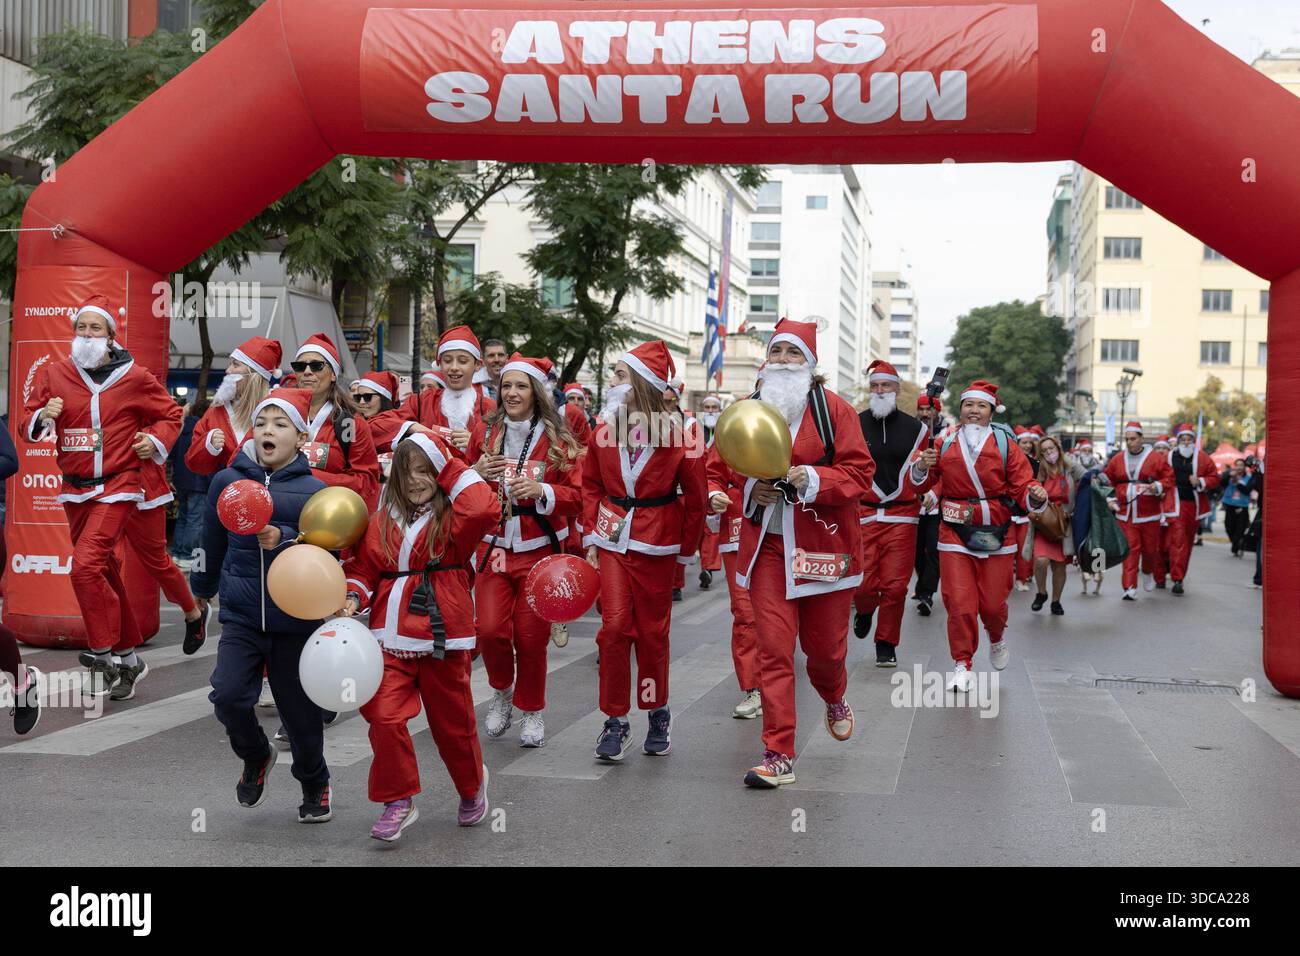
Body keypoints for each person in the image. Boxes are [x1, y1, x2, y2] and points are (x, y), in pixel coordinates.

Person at [720, 320, 874, 789]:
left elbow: (860, 474)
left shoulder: (836, 412)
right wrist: (747, 492)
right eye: (777, 351)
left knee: (823, 654)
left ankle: (834, 695)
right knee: (774, 650)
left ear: (810, 363)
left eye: (793, 352)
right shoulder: (744, 411)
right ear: (766, 361)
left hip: (824, 548)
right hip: (767, 548)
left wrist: (814, 480)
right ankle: (778, 751)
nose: (784, 359)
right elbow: (717, 469)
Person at [23, 295, 183, 699]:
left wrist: (153, 439)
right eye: (82, 327)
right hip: (76, 489)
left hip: (120, 483)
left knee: (83, 567)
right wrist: (44, 416)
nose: (87, 335)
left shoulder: (135, 376)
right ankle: (129, 659)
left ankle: (101, 658)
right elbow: (28, 420)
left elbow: (171, 414)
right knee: (104, 571)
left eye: (96, 328)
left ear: (112, 336)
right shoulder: (55, 374)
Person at [341, 433, 499, 839]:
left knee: (453, 725)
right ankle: (398, 799)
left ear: (440, 473)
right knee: (382, 715)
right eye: (407, 471)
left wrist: (445, 462)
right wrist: (352, 595)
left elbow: (483, 505)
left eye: (425, 470)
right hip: (388, 633)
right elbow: (363, 569)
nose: (414, 480)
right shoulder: (381, 520)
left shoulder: (456, 517)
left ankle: (470, 787)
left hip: (443, 634)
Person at [191, 387, 332, 822]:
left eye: (280, 424)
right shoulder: (227, 481)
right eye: (262, 422)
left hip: (297, 620)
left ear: (301, 436)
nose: (268, 431)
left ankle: (315, 782)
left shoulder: (315, 491)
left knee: (301, 716)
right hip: (242, 614)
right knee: (229, 697)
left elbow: (331, 553)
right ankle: (256, 756)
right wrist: (202, 586)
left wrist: (286, 538)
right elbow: (210, 539)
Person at [583, 341, 706, 761]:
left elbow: (697, 495)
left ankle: (656, 709)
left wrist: (686, 551)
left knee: (653, 634)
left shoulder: (682, 434)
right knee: (614, 629)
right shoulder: (603, 429)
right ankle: (615, 720)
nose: (612, 383)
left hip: (658, 541)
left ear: (640, 385)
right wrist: (591, 537)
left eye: (619, 375)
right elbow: (591, 485)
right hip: (613, 538)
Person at [472, 355, 583, 748]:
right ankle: (502, 692)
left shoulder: (558, 440)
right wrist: (476, 472)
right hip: (493, 550)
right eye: (506, 386)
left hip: (539, 552)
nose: (512, 393)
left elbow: (580, 497)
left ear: (536, 393)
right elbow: (458, 481)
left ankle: (532, 709)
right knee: (489, 631)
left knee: (531, 638)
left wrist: (543, 492)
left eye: (520, 386)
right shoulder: (486, 434)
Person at [929, 381, 1046, 692]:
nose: (974, 411)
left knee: (993, 606)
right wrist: (922, 475)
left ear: (992, 411)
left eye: (981, 406)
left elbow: (1023, 484)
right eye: (969, 405)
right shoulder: (944, 442)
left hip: (997, 531)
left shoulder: (1006, 445)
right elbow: (929, 479)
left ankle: (996, 637)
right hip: (953, 531)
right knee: (959, 603)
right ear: (962, 409)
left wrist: (1034, 495)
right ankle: (962, 664)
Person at [852, 360, 936, 667]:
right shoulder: (853, 423)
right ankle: (864, 610)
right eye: (874, 385)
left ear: (897, 389)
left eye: (885, 385)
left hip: (902, 516)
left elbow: (923, 479)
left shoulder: (917, 430)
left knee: (896, 586)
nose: (879, 390)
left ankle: (886, 643)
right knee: (862, 585)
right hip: (863, 514)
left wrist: (924, 467)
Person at [370, 327, 495, 460]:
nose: (453, 367)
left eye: (462, 361)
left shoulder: (490, 408)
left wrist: (475, 442)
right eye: (447, 361)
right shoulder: (422, 401)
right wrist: (414, 428)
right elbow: (373, 426)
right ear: (439, 364)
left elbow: (508, 453)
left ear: (477, 365)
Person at [705, 423, 761, 719]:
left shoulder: (804, 421)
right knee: (744, 611)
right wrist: (713, 494)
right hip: (738, 523)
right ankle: (754, 688)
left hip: (787, 527)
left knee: (779, 612)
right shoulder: (738, 422)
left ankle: (776, 677)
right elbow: (711, 472)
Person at [289, 333, 381, 510]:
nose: (307, 371)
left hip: (331, 517)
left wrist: (310, 477)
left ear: (333, 375)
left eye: (316, 366)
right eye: (300, 366)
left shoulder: (349, 424)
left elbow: (366, 482)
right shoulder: (277, 413)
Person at [185, 336, 280, 475]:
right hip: (230, 491)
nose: (228, 370)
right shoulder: (215, 413)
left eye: (235, 364)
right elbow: (195, 464)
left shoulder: (279, 409)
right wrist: (209, 445)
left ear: (253, 375)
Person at [1102, 421, 1173, 601]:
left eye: (1133, 439)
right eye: (1127, 439)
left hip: (1149, 513)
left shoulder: (1156, 457)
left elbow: (1169, 477)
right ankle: (1129, 587)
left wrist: (1158, 486)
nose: (1130, 442)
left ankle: (1148, 571)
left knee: (1150, 550)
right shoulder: (1117, 459)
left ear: (1141, 438)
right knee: (1130, 550)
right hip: (1125, 512)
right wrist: (1110, 499)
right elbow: (1107, 480)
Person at [1024, 435, 1085, 615]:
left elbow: (1087, 475)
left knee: (1059, 565)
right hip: (1044, 523)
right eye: (1044, 451)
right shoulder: (1039, 470)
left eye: (1051, 448)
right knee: (1041, 560)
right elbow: (1029, 491)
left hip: (1064, 524)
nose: (1049, 453)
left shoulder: (1069, 466)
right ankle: (1041, 592)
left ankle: (1056, 601)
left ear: (1058, 449)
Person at [1164, 423, 1219, 594]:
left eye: (1189, 439)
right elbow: (1158, 473)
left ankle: (1178, 575)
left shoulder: (1203, 458)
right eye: (1183, 439)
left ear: (1194, 441)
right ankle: (1176, 578)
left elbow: (1214, 478)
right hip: (1173, 504)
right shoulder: (1168, 456)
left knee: (1186, 542)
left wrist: (1201, 481)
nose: (1186, 442)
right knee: (1177, 540)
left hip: (1193, 506)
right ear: (1178, 440)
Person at [912, 394, 943, 615]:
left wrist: (935, 492)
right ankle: (922, 583)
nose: (925, 414)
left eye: (928, 410)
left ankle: (927, 593)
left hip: (937, 503)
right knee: (916, 551)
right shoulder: (910, 432)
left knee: (933, 549)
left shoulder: (950, 435)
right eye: (921, 409)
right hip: (912, 503)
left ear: (937, 412)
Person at [169, 401, 210, 566]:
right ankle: (187, 556)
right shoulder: (203, 430)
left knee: (183, 517)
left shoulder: (181, 428)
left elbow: (171, 455)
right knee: (195, 519)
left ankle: (177, 553)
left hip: (180, 480)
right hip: (198, 481)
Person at [1009, 427, 1040, 592]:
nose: (1027, 445)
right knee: (1007, 549)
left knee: (1024, 549)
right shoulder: (1008, 460)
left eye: (1029, 442)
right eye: (1024, 442)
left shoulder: (1035, 463)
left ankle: (1021, 579)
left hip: (1025, 513)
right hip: (1008, 512)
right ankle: (1005, 581)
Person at [1220, 458, 1252, 556]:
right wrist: (1229, 475)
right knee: (1228, 527)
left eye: (1241, 465)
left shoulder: (1249, 478)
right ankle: (1236, 543)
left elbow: (1247, 490)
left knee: (1240, 529)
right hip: (1230, 505)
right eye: (1237, 465)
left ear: (1244, 467)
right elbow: (1221, 483)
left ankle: (1236, 546)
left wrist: (1237, 483)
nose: (1239, 467)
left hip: (1242, 506)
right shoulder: (1230, 475)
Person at [475, 338, 510, 403]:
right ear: (483, 359)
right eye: (491, 356)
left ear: (507, 358)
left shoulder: (517, 382)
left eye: (500, 355)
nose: (496, 360)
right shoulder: (472, 385)